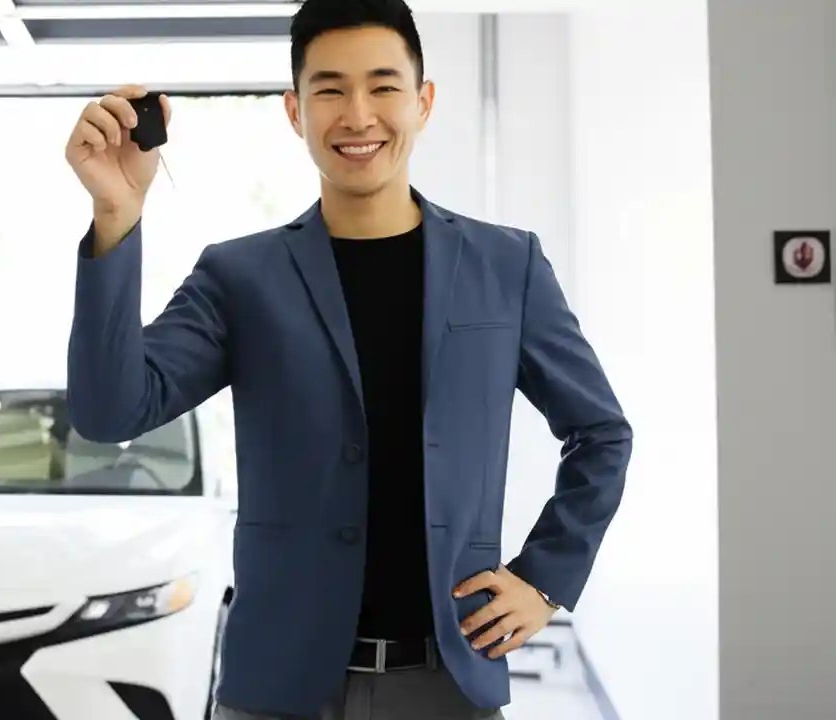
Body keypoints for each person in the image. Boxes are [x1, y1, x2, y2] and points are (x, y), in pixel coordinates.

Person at [62, 0, 632, 717]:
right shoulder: (241, 277)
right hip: (279, 688)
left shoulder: (505, 265)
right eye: (329, 89)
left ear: (422, 102)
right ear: (295, 111)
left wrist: (545, 578)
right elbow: (111, 411)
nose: (358, 115)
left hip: (446, 682)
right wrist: (117, 214)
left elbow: (602, 433)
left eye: (384, 86)